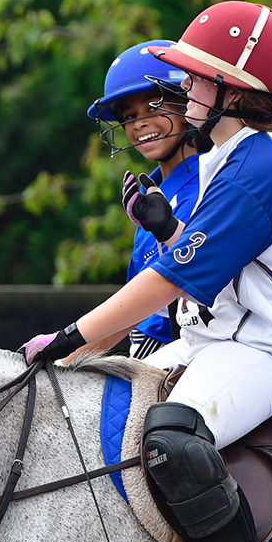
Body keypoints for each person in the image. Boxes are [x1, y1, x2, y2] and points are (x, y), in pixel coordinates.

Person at [23, 2, 272, 542]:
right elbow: (191, 280)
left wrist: (70, 336)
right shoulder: (228, 157)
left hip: (270, 355)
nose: (185, 88)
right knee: (86, 411)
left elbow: (173, 280)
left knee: (171, 438)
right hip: (212, 344)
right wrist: (76, 356)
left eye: (195, 77)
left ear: (231, 89)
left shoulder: (255, 163)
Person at [83, 39, 204, 360]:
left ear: (186, 104)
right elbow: (133, 312)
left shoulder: (213, 182)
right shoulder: (151, 199)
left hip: (199, 348)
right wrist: (63, 356)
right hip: (151, 353)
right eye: (128, 116)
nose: (139, 124)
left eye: (153, 107)